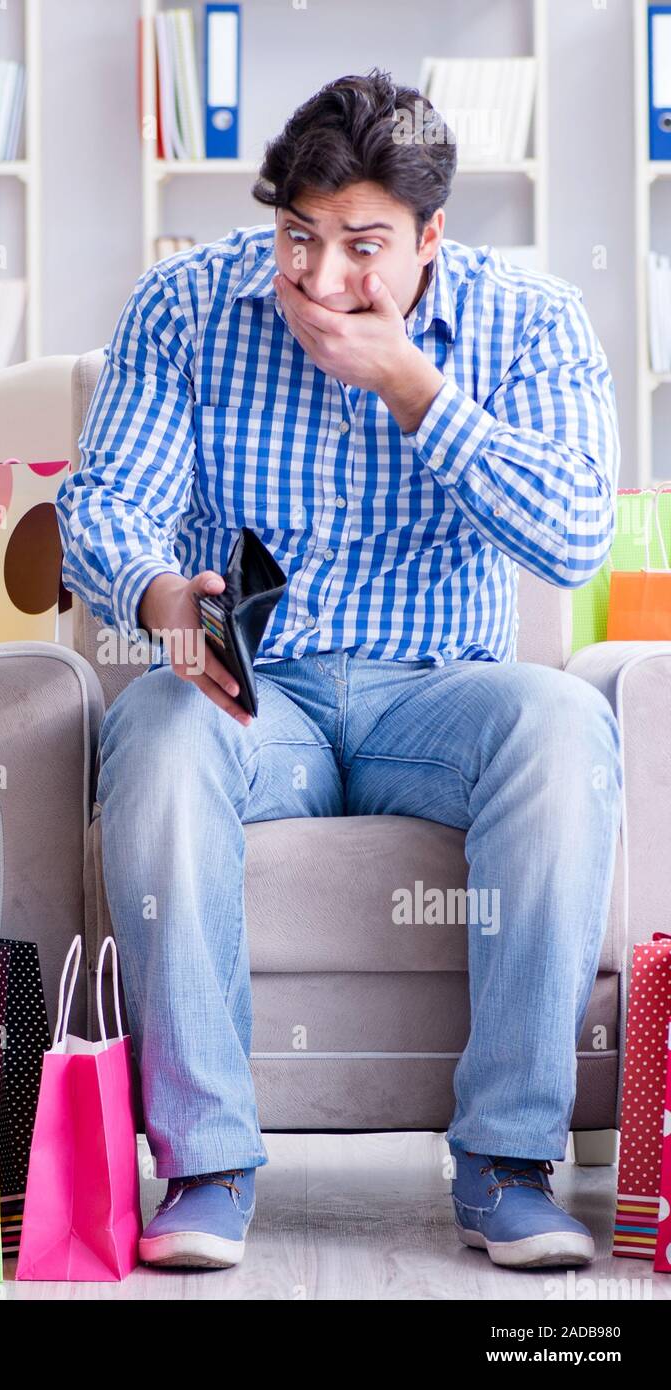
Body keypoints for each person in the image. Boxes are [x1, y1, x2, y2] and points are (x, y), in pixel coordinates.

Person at [55, 69, 622, 1272]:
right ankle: (206, 1164)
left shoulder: (531, 323)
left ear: (429, 239)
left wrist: (414, 388)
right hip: (258, 697)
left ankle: (507, 1163)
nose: (320, 281)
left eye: (361, 247)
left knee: (564, 722)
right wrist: (159, 596)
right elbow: (103, 505)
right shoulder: (188, 305)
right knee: (157, 729)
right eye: (297, 240)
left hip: (443, 695)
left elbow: (574, 534)